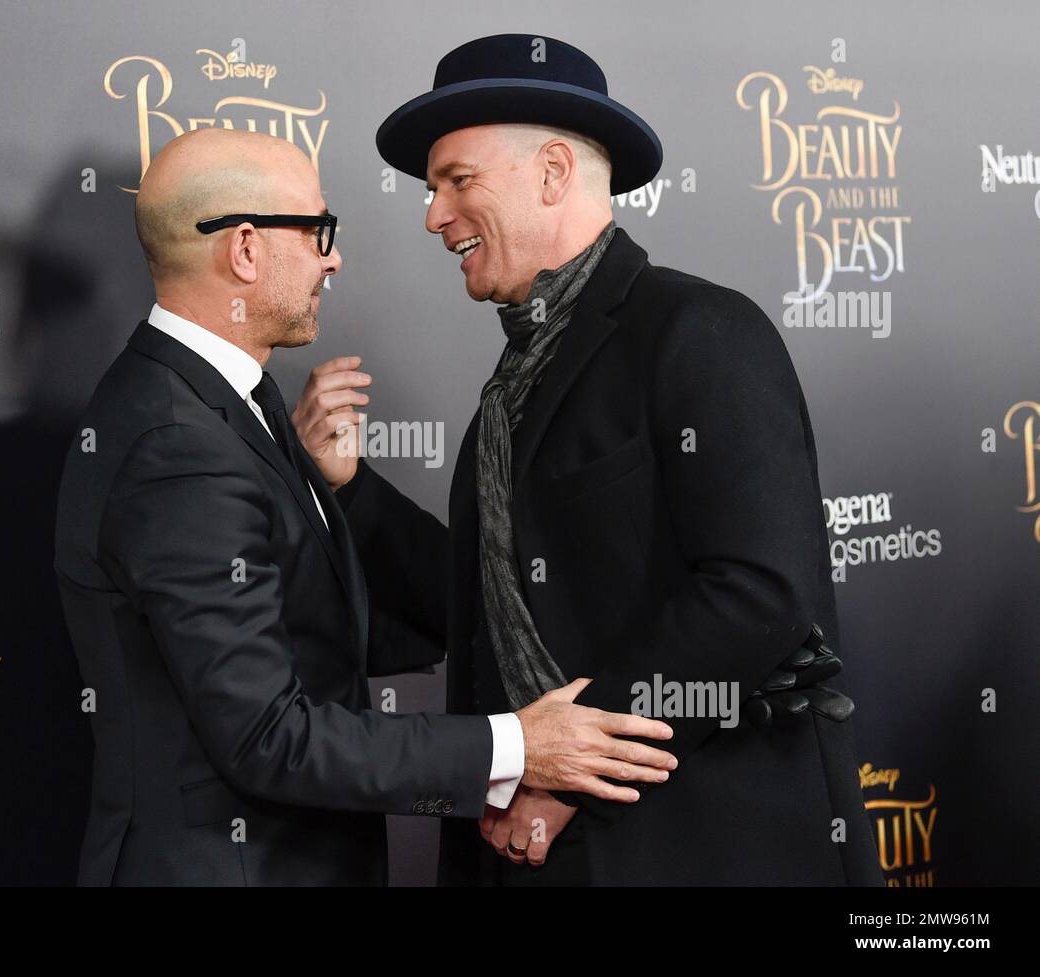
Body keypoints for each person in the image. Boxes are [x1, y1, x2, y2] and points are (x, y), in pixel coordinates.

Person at [294, 34, 883, 885]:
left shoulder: (702, 331)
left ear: (553, 173)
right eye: (432, 190)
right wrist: (350, 491)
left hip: (694, 846)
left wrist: (573, 771)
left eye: (458, 181)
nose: (433, 215)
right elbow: (481, 610)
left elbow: (760, 591)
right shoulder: (517, 379)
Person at [52, 126, 678, 885]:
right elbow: (267, 735)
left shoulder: (227, 403)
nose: (333, 258)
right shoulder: (176, 443)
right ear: (245, 249)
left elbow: (328, 636)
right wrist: (515, 747)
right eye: (319, 231)